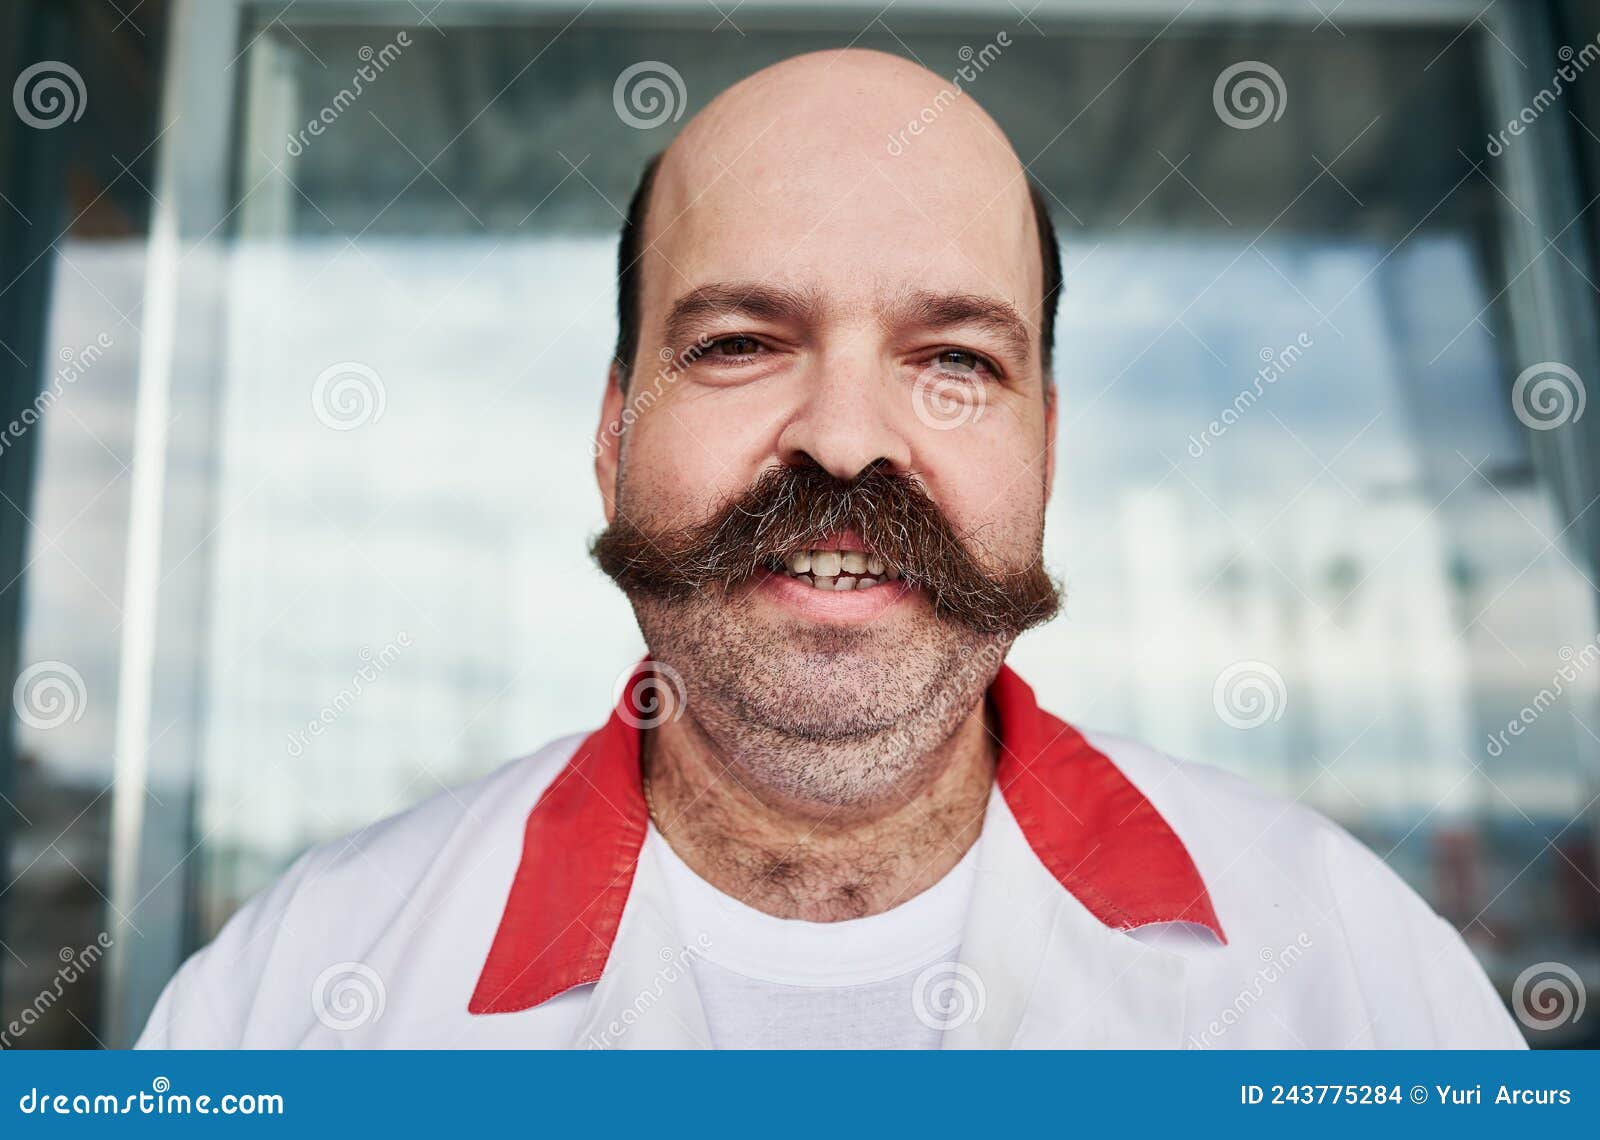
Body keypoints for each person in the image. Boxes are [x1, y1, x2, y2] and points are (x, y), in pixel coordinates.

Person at [137, 48, 1523, 1049]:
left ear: (1047, 443)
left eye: (954, 359)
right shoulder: (299, 1003)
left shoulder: (1350, 973)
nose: (849, 440)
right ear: (614, 428)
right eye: (740, 343)